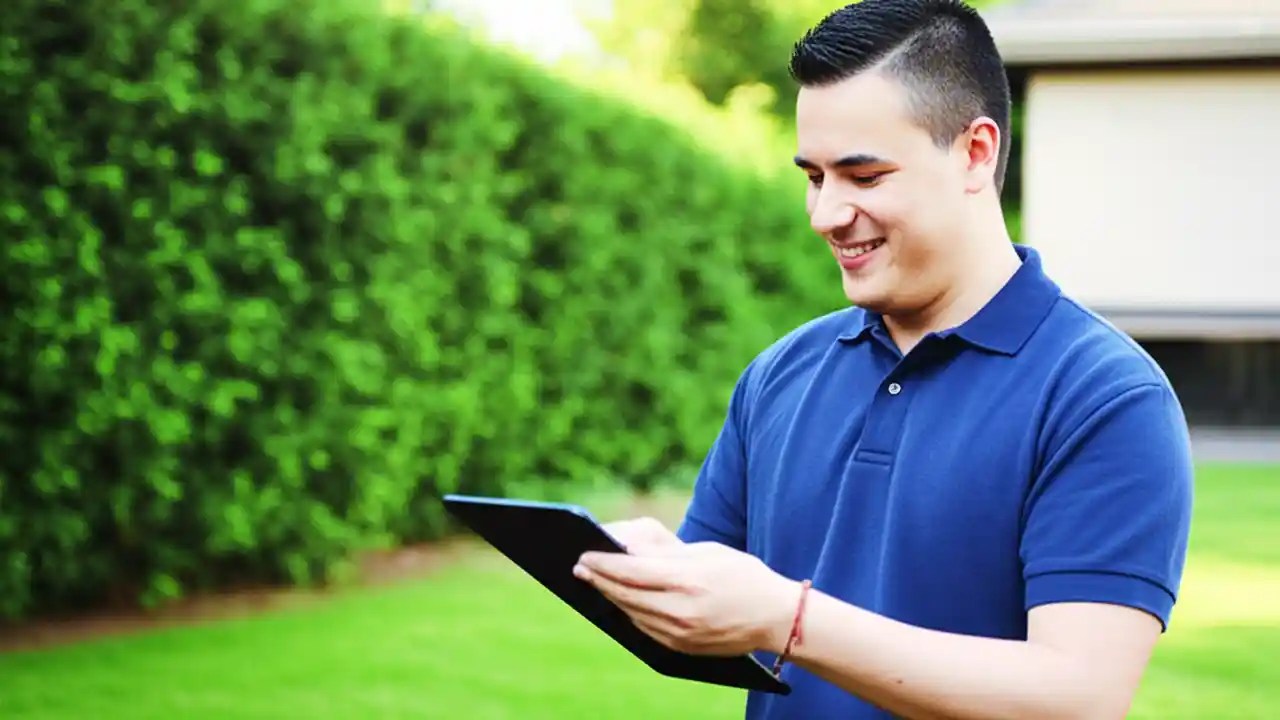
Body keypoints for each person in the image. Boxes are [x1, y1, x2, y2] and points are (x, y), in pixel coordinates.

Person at [573, 0, 1195, 718]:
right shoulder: (781, 374)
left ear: (975, 152)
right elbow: (709, 627)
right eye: (813, 176)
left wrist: (791, 619)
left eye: (863, 177)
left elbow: (1078, 698)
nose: (825, 215)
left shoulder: (1105, 398)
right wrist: (645, 573)